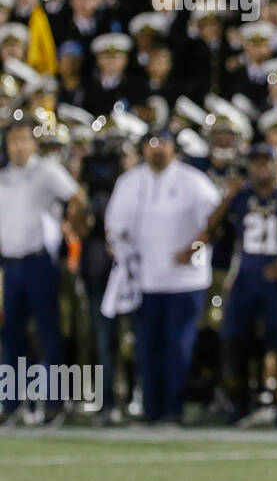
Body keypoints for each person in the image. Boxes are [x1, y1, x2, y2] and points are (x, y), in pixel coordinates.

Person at [103, 129, 221, 424]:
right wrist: (119, 249)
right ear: (143, 149)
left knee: (177, 345)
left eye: (163, 144)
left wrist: (193, 248)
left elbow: (216, 220)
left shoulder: (193, 181)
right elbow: (113, 227)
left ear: (174, 149)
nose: (157, 150)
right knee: (147, 346)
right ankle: (151, 408)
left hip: (184, 281)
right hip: (144, 280)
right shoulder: (129, 183)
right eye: (151, 144)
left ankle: (174, 408)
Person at [193, 144, 277, 425]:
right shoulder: (241, 196)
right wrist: (229, 195)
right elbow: (211, 228)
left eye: (265, 162)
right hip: (245, 277)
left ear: (274, 164)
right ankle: (240, 404)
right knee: (234, 342)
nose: (261, 168)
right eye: (256, 163)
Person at [0, 122, 87, 425]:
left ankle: (53, 403)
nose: (19, 146)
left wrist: (72, 226)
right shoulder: (4, 176)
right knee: (11, 336)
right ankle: (11, 404)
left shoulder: (46, 171)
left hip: (40, 262)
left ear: (34, 143)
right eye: (13, 141)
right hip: (9, 264)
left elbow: (77, 197)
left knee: (48, 334)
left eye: (23, 140)